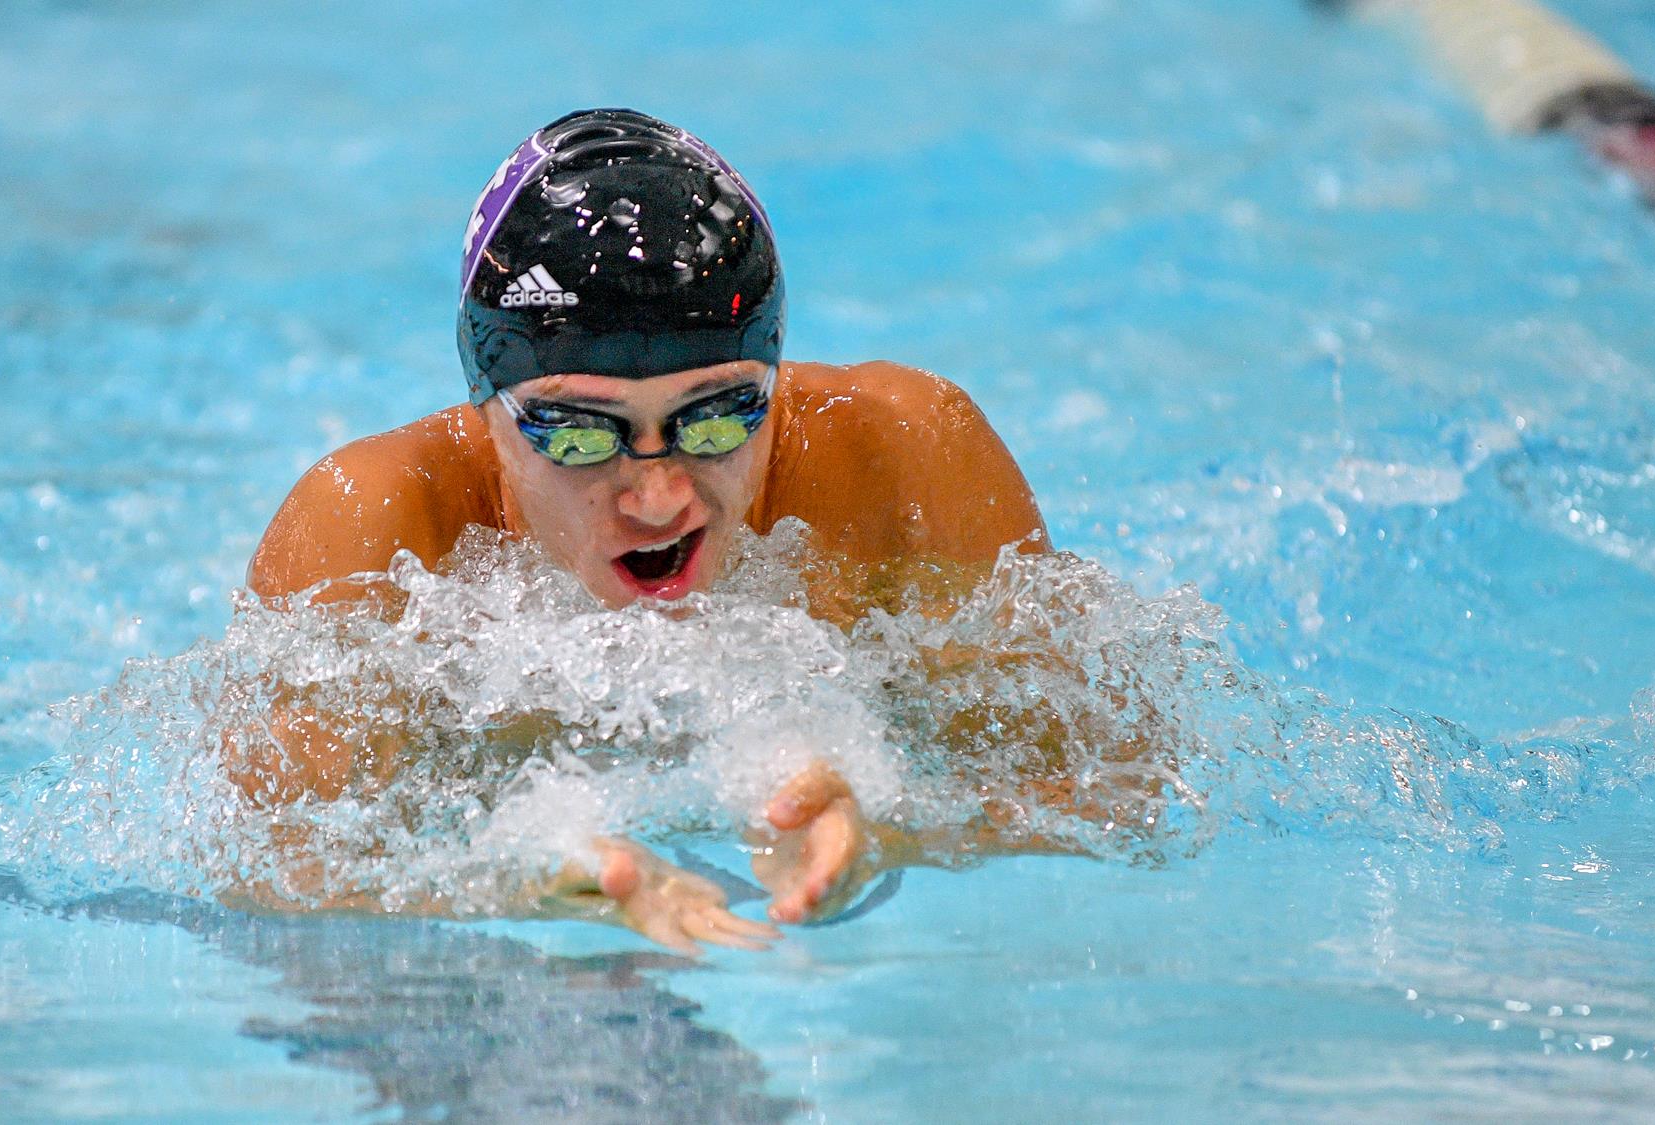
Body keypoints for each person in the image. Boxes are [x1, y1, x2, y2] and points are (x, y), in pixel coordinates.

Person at [242, 108, 1051, 953]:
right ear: (488, 412)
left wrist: (891, 830)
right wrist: (515, 881)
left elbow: (1108, 779)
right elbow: (265, 868)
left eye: (718, 418)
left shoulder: (905, 458)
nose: (659, 498)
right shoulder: (377, 528)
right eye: (580, 434)